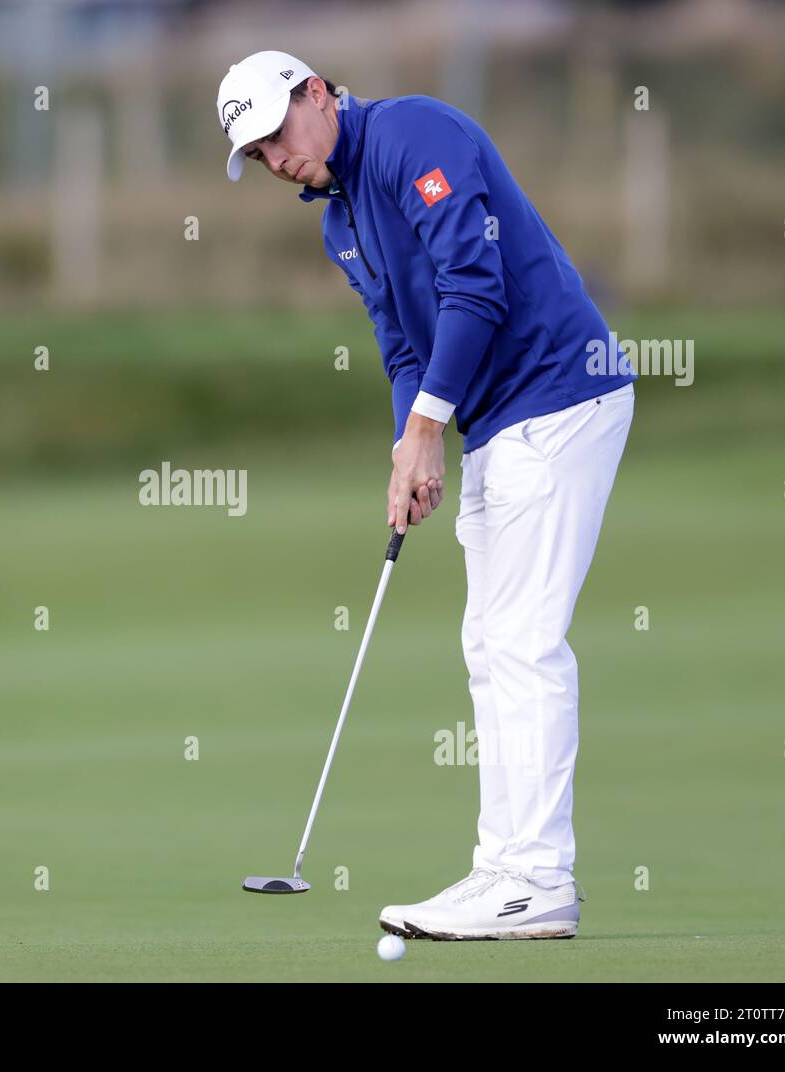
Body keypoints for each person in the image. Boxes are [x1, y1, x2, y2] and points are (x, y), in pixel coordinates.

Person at [218, 50, 637, 940]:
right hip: (495, 423)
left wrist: (426, 428)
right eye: (257, 155)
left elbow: (473, 289)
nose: (277, 159)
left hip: (562, 394)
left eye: (277, 134)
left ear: (318, 94)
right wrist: (412, 443)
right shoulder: (337, 223)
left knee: (522, 643)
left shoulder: (414, 134)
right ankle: (505, 869)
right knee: (488, 643)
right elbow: (403, 345)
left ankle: (535, 879)